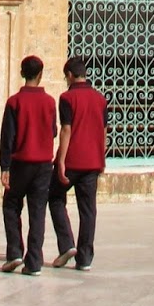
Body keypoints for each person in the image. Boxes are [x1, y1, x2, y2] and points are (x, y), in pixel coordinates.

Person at [49, 55, 109, 271]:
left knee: (55, 197)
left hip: (73, 160)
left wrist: (61, 160)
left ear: (70, 76)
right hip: (93, 161)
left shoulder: (66, 98)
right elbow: (103, 132)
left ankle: (66, 244)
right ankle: (85, 258)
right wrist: (101, 158)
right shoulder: (100, 99)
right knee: (88, 210)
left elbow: (66, 129)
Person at [0, 53, 57, 274]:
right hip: (43, 165)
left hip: (20, 163)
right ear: (41, 74)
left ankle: (14, 252)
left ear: (22, 73)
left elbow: (8, 137)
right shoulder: (50, 102)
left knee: (11, 205)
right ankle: (34, 262)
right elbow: (53, 132)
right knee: (38, 211)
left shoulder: (14, 102)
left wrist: (4, 167)